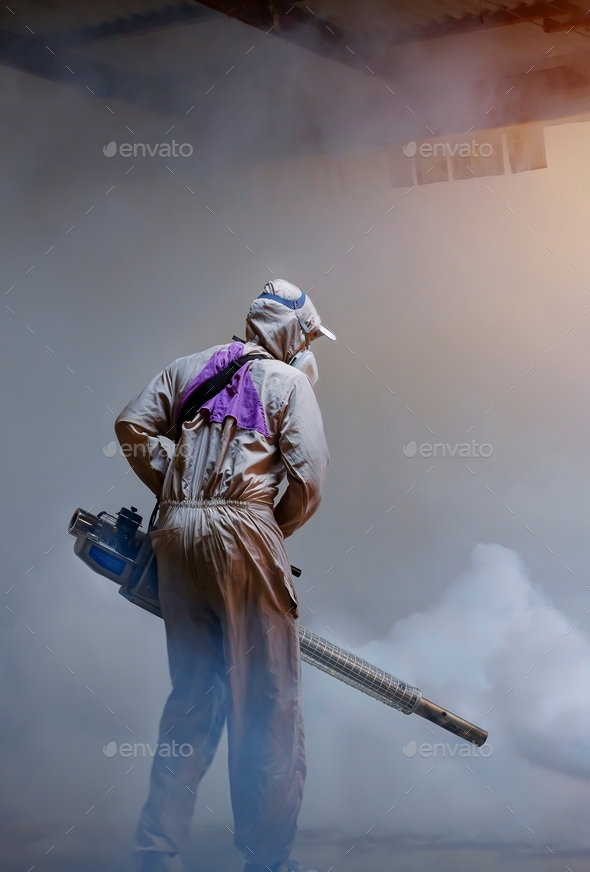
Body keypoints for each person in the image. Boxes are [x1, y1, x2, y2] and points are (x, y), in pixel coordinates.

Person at [115, 280, 334, 872]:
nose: (309, 346)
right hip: (244, 534)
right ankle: (267, 860)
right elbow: (309, 481)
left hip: (176, 534)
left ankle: (156, 852)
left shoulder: (187, 367)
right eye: (309, 335)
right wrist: (262, 529)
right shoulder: (289, 384)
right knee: (267, 703)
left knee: (192, 697)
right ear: (293, 332)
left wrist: (180, 489)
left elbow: (131, 427)